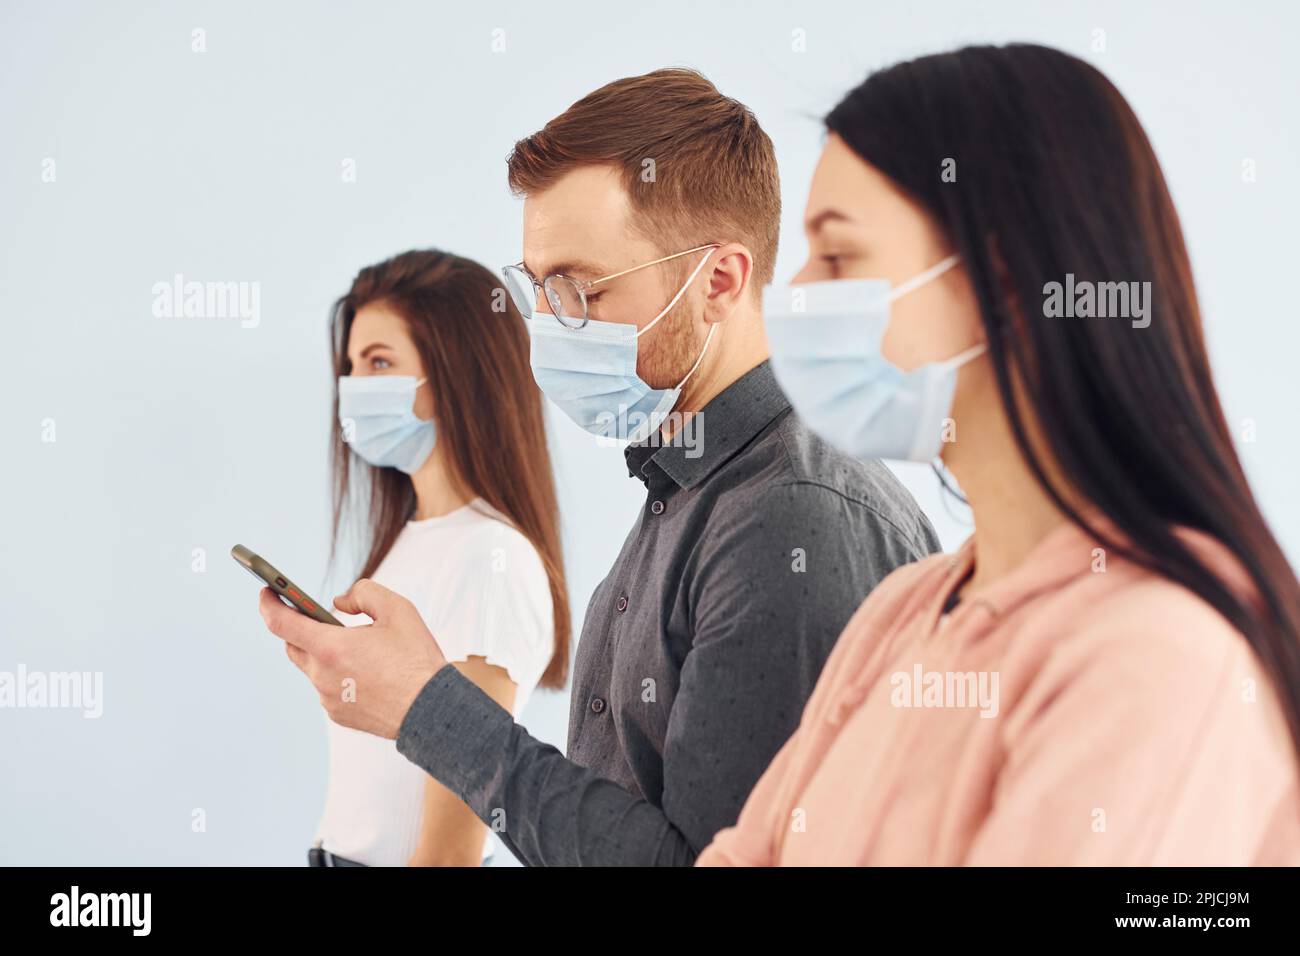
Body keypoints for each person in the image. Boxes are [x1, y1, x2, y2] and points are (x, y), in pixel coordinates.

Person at [260, 68, 940, 865]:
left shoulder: (792, 517)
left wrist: (427, 707)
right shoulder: (681, 487)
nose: (548, 326)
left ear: (718, 281)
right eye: (537, 288)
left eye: (579, 290)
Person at [696, 43, 1300, 865]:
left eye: (837, 255)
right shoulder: (904, 610)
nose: (795, 290)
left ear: (1005, 288)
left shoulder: (1155, 657)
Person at [308, 250, 569, 866]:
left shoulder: (491, 558)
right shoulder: (409, 537)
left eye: (379, 362)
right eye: (351, 366)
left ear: (457, 372)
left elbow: (451, 853)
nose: (354, 388)